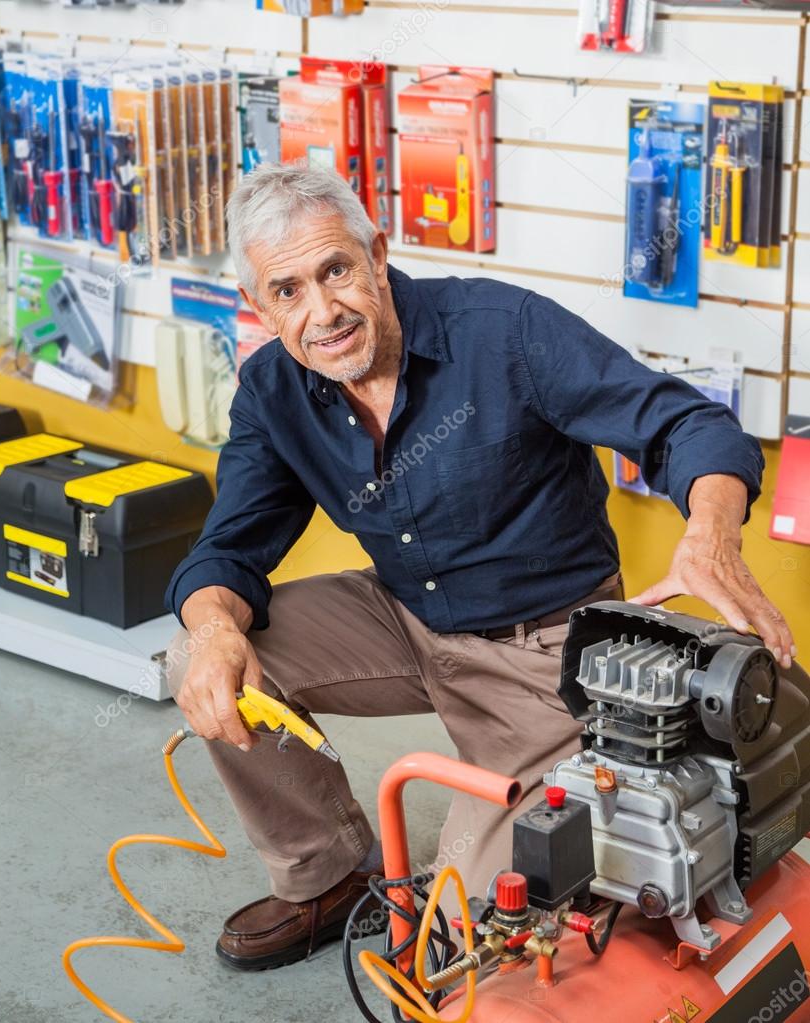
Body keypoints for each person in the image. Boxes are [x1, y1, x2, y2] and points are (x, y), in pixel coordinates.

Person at [164, 161, 793, 972]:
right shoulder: (274, 387)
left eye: (336, 271)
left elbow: (685, 425)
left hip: (545, 654)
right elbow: (228, 546)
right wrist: (213, 626)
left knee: (460, 938)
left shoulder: (504, 330)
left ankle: (505, 841)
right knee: (200, 648)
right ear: (260, 304)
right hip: (401, 616)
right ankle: (324, 875)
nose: (322, 311)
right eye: (287, 290)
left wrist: (710, 532)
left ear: (377, 254)